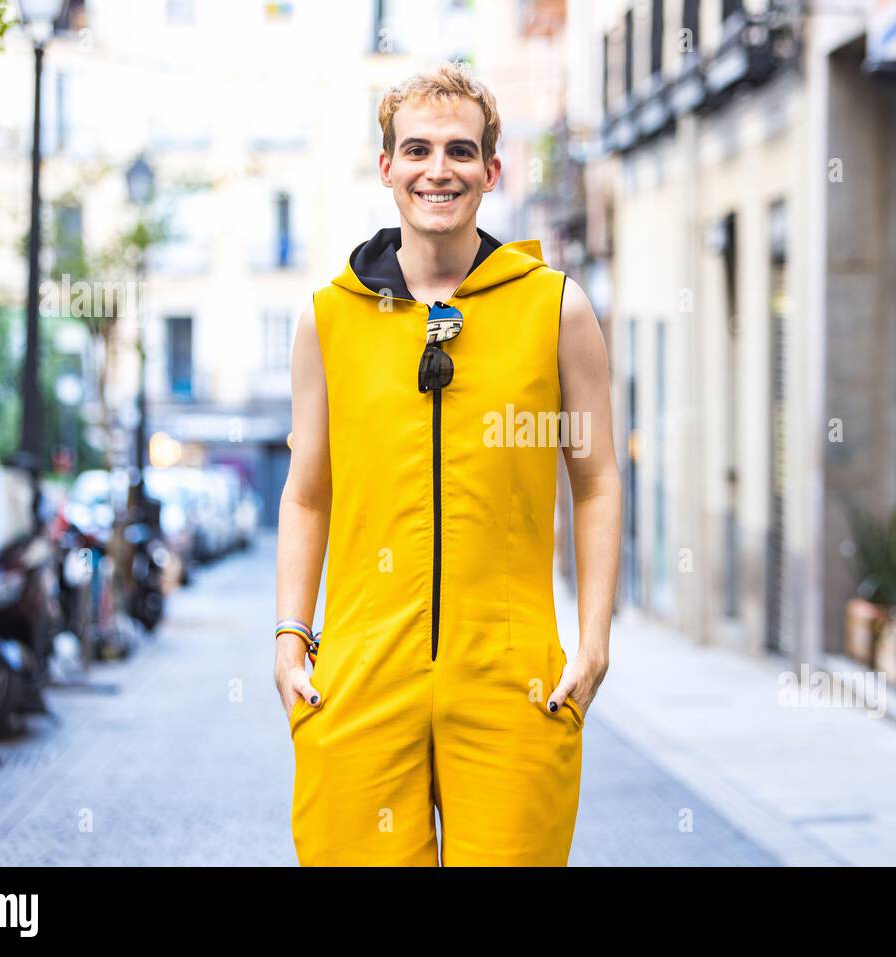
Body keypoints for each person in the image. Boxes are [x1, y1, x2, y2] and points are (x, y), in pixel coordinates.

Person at [274, 61, 621, 866]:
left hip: (509, 677)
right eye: (418, 149)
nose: (440, 170)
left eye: (461, 152)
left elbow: (597, 479)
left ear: (492, 171)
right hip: (360, 675)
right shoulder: (328, 319)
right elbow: (306, 494)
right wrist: (291, 639)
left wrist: (594, 638)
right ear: (387, 165)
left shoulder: (555, 307)